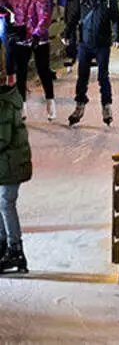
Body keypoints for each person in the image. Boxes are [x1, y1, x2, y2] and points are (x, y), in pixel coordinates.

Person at [62, 0, 119, 127]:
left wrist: (118, 36)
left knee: (103, 75)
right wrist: (67, 33)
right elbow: (74, 16)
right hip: (85, 43)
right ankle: (79, 105)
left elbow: (115, 18)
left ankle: (106, 106)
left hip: (102, 43)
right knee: (82, 76)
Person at [0, 0, 54, 120]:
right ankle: (22, 106)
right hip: (21, 38)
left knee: (43, 70)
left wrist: (37, 33)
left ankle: (50, 101)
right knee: (21, 72)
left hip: (38, 40)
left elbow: (44, 16)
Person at [0, 80, 32, 274]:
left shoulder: (3, 105)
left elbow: (2, 138)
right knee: (1, 203)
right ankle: (3, 244)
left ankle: (15, 250)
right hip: (6, 162)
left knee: (6, 203)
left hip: (11, 163)